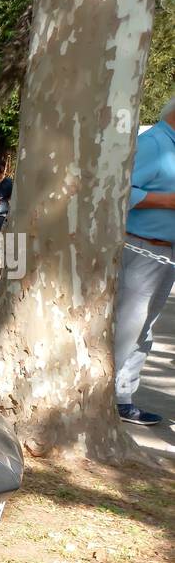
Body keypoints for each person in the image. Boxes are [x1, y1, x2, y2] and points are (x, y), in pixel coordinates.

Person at [115, 98, 175, 426]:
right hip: (141, 249)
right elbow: (119, 189)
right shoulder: (153, 144)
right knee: (127, 325)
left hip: (166, 254)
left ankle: (123, 396)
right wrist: (166, 201)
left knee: (144, 328)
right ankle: (102, 396)